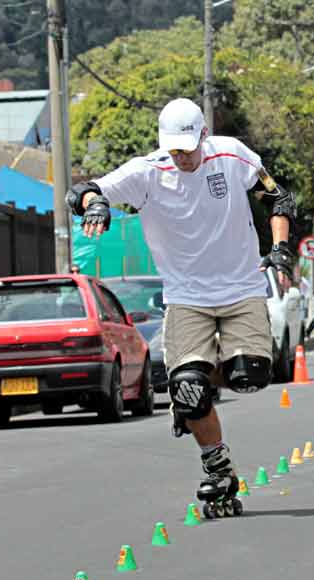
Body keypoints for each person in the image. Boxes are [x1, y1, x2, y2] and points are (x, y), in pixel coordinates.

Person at [66, 98, 295, 517]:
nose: (182, 158)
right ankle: (218, 467)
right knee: (190, 388)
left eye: (188, 149)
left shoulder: (232, 155)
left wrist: (280, 250)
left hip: (242, 287)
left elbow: (280, 198)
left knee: (249, 378)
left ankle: (188, 395)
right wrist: (95, 205)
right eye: (175, 150)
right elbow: (83, 191)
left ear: (203, 137)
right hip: (187, 297)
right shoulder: (147, 172)